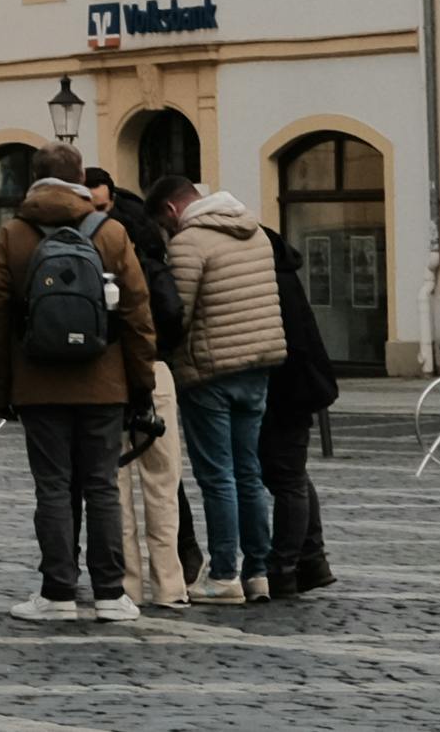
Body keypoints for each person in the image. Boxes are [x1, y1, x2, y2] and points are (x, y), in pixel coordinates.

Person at [0, 171, 160, 621]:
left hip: (38, 385)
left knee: (53, 487)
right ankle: (111, 594)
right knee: (102, 487)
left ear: (36, 179)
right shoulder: (111, 232)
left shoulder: (10, 234)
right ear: (79, 180)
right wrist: (141, 386)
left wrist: (1, 391)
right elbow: (137, 313)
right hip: (105, 383)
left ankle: (57, 592)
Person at [161, 185, 289, 603]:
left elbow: (176, 312)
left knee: (217, 475)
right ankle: (258, 572)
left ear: (170, 208)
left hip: (210, 370)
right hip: (258, 365)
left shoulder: (188, 241)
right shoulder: (255, 233)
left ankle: (222, 574)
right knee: (248, 473)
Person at [89, 166, 194, 610]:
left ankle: (128, 585)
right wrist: (156, 348)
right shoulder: (150, 256)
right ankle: (170, 585)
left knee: (116, 486)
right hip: (154, 373)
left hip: (105, 375)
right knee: (162, 483)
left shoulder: (90, 254)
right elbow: (173, 313)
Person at [256, 240, 341, 598]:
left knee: (287, 479)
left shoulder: (271, 275)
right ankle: (311, 559)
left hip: (287, 386)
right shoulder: (282, 270)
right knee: (293, 475)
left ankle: (286, 566)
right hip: (299, 383)